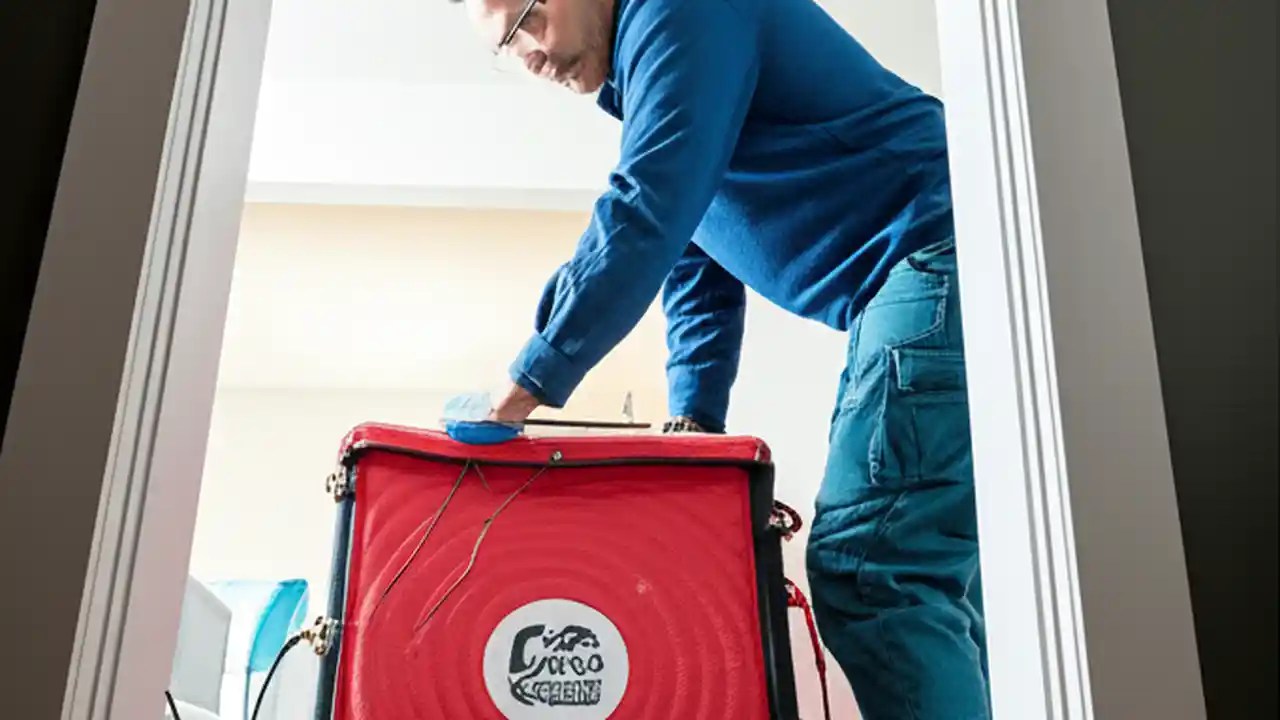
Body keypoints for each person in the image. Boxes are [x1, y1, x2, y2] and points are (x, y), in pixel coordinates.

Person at [456, 0, 989, 716]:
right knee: (938, 581)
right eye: (505, 49)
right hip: (940, 267)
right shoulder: (655, 67)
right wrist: (695, 418)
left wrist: (524, 383)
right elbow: (692, 260)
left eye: (525, 19)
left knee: (874, 570)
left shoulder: (682, 11)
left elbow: (648, 208)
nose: (528, 54)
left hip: (939, 253)